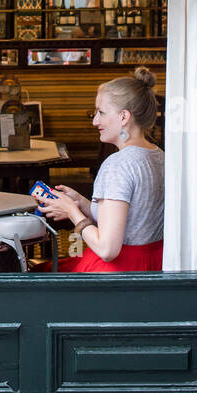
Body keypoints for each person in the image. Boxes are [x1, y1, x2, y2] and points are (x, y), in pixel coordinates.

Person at [34, 67, 164, 272]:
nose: (95, 121)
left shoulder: (117, 165)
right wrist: (83, 204)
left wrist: (72, 211)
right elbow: (134, 220)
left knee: (37, 275)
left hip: (117, 271)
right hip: (153, 265)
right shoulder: (159, 155)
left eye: (101, 112)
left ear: (124, 117)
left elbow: (107, 249)